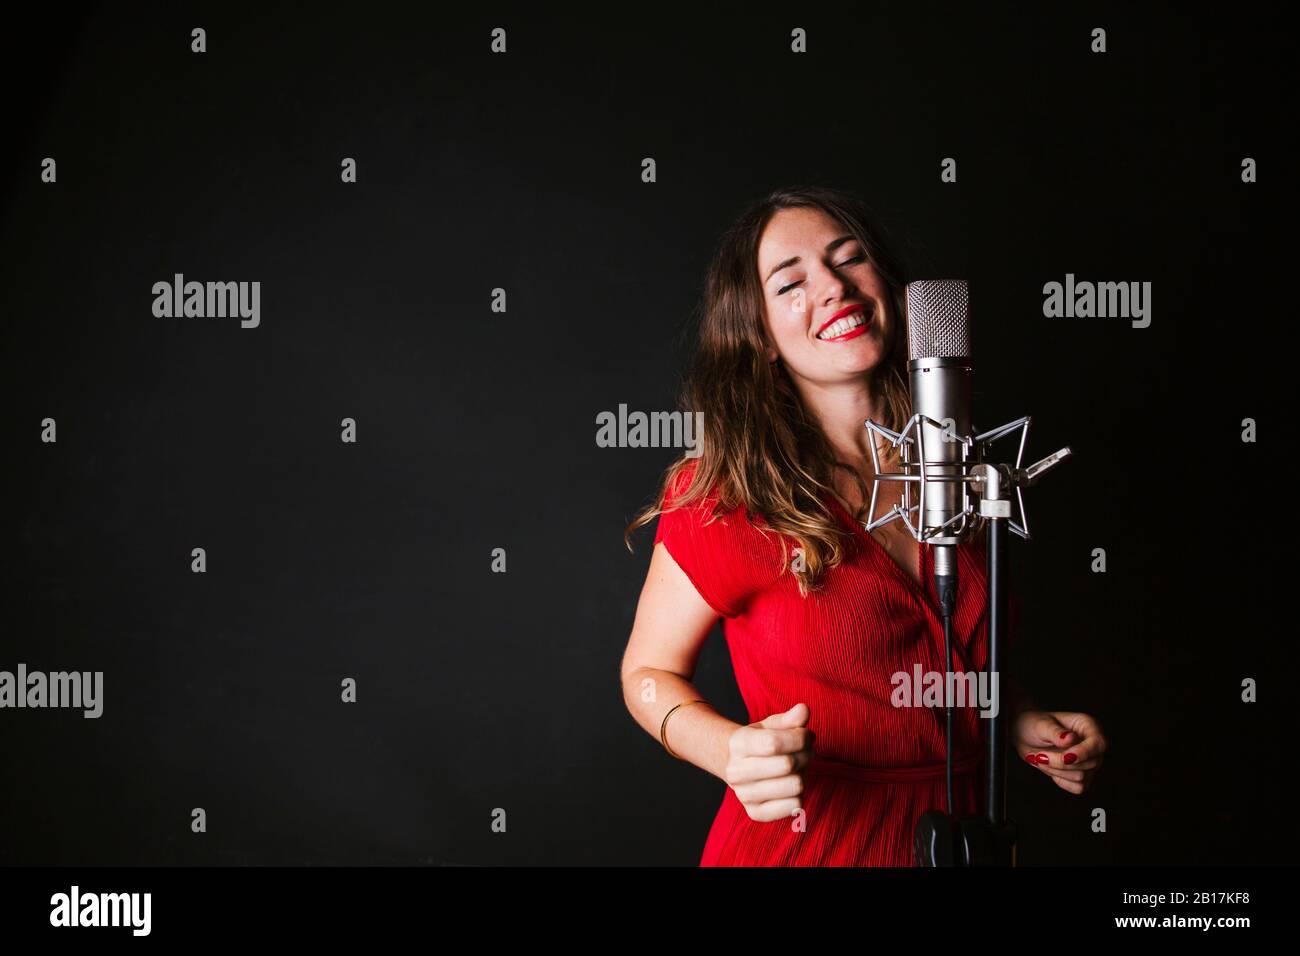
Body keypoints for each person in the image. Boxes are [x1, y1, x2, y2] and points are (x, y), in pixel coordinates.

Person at [619, 185, 1107, 866]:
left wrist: (1020, 719)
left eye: (849, 259)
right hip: (815, 845)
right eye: (790, 283)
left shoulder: (958, 468)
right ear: (759, 336)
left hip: (966, 838)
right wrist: (728, 750)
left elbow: (943, 657)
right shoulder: (727, 494)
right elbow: (647, 673)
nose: (833, 288)